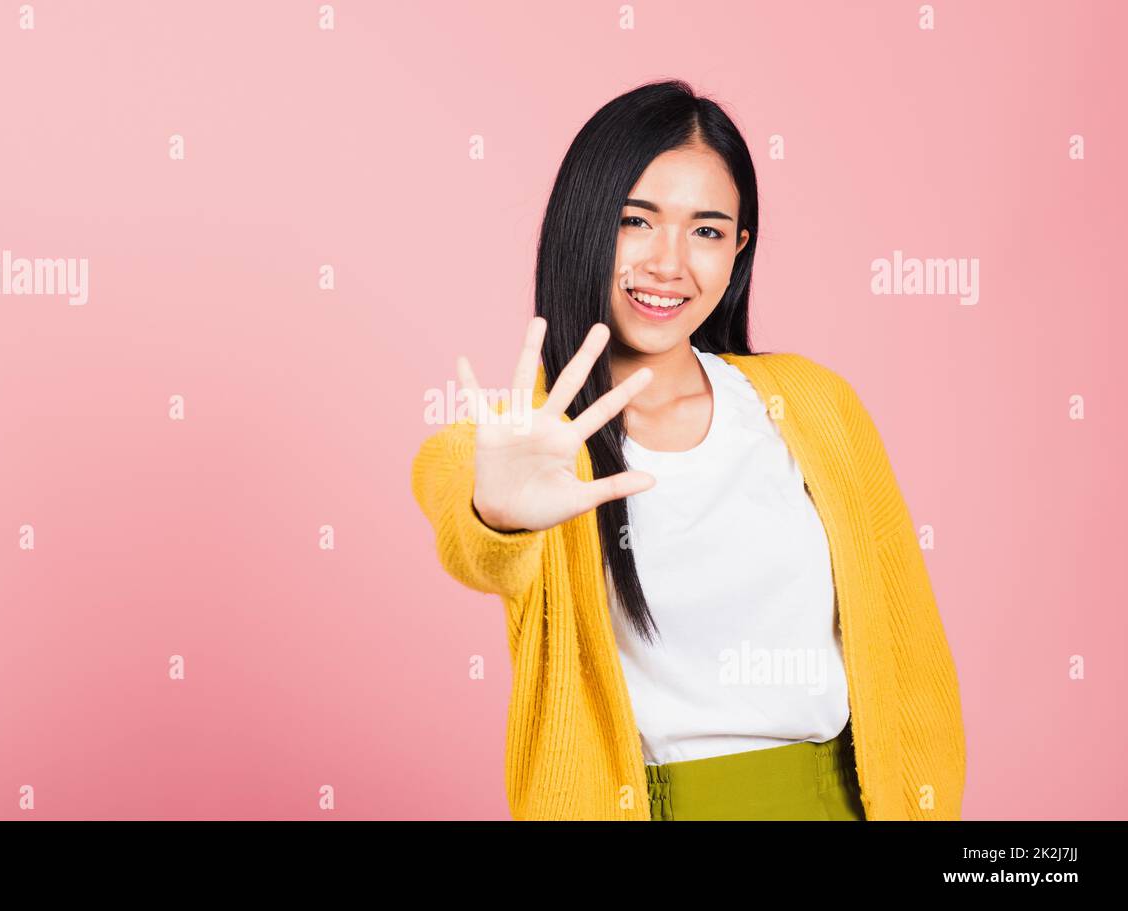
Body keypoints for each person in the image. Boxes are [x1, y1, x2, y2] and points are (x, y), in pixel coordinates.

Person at [410, 79, 966, 821]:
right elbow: (467, 528)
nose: (669, 263)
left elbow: (910, 654)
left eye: (706, 230)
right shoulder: (525, 438)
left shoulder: (815, 405)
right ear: (583, 226)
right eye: (636, 221)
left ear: (738, 249)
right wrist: (500, 516)